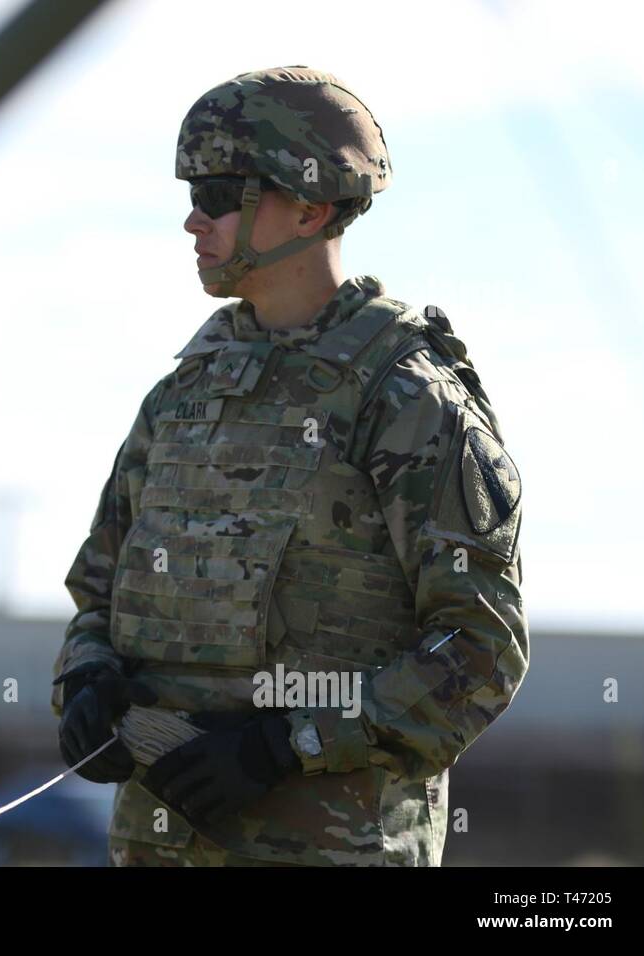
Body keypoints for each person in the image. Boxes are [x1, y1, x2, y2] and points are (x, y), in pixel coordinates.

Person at [50, 66, 529, 866]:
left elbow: (480, 651)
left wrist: (286, 745)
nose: (192, 221)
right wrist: (87, 684)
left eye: (218, 193)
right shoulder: (185, 393)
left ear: (310, 206)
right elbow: (94, 595)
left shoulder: (405, 397)